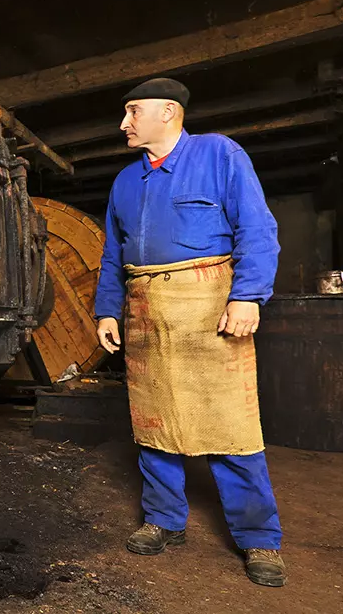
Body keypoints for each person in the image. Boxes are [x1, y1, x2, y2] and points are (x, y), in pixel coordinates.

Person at [93, 78, 286, 587]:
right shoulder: (124, 182)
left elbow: (257, 228)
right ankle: (163, 520)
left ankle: (259, 538)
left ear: (169, 113)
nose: (124, 123)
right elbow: (114, 254)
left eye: (133, 111)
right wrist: (107, 311)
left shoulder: (218, 154)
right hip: (146, 310)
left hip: (209, 306)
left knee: (230, 426)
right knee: (154, 422)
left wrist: (248, 295)